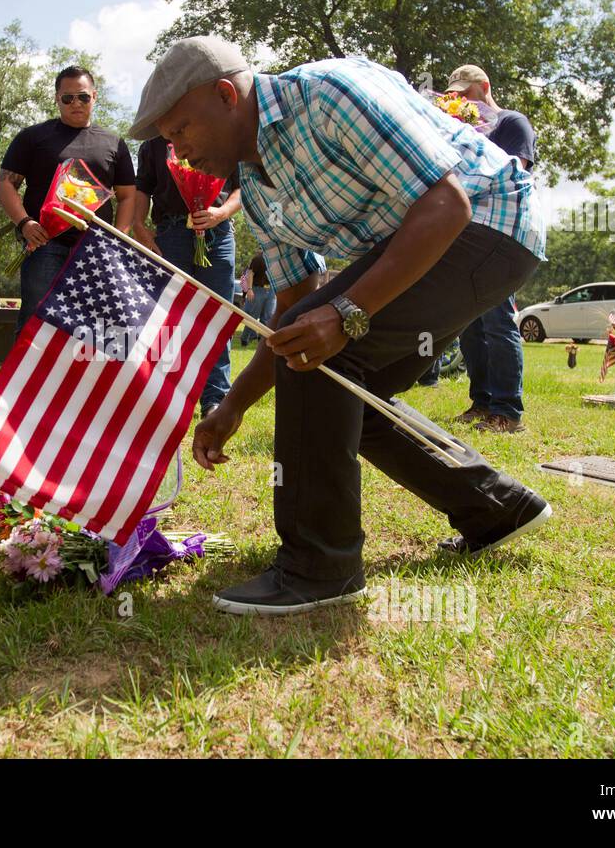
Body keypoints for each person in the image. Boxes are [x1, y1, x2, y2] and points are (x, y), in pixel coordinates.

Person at [129, 37, 551, 616]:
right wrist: (234, 407)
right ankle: (497, 508)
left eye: (180, 131)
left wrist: (345, 315)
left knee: (325, 354)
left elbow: (445, 204)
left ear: (226, 95)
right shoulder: (256, 187)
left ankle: (319, 568)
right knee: (347, 388)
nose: (178, 154)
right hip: (431, 242)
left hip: (486, 223)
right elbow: (292, 314)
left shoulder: (331, 93)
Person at [0, 66, 136, 332]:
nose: (76, 103)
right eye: (67, 97)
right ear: (56, 98)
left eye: (83, 97)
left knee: (94, 329)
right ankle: (30, 375)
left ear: (94, 97)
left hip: (96, 249)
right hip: (44, 245)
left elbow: (128, 196)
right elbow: (5, 184)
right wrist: (24, 223)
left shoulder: (114, 143)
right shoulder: (32, 137)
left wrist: (117, 238)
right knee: (35, 324)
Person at [445, 64, 538, 433]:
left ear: (485, 86)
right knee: (469, 322)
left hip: (503, 231)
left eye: (466, 94)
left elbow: (517, 170)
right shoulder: (459, 128)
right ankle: (482, 401)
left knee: (499, 321)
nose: (461, 101)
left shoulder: (512, 124)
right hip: (467, 232)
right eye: (456, 95)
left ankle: (508, 411)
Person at [132, 135, 242, 417]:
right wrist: (140, 228)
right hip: (170, 232)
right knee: (167, 318)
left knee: (217, 315)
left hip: (217, 232)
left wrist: (221, 213)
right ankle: (164, 397)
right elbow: (141, 190)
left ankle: (214, 400)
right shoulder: (152, 145)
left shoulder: (218, 131)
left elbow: (242, 188)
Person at [239, 252, 275, 347]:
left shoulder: (276, 258)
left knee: (267, 317)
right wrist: (250, 289)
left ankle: (263, 341)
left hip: (271, 290)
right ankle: (244, 339)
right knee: (253, 316)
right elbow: (250, 273)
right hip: (257, 290)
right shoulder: (258, 259)